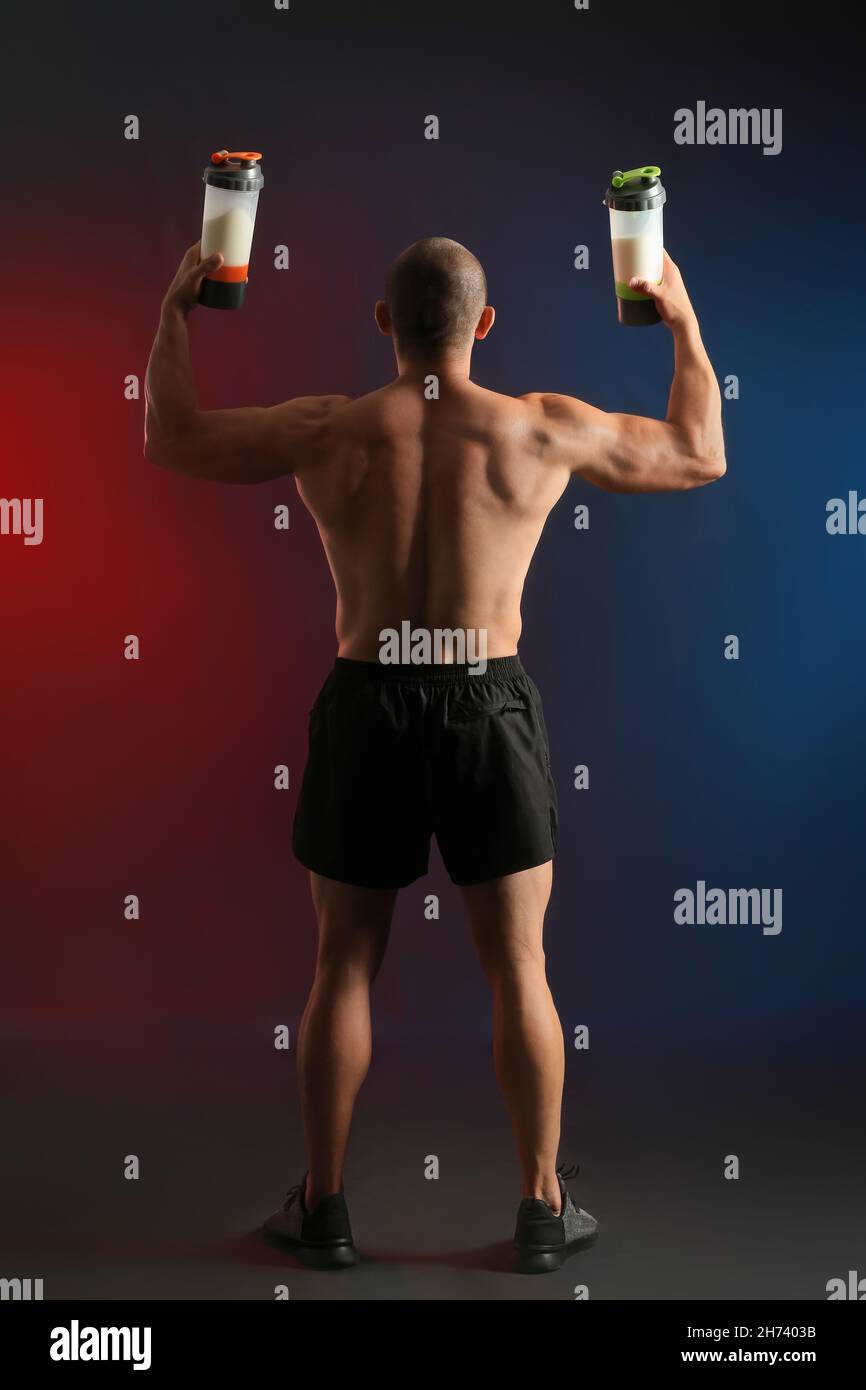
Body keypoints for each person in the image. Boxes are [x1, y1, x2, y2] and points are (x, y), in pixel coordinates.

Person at [145, 236, 725, 1273]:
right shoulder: (537, 428)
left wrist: (175, 312)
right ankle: (541, 1208)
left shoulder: (329, 428)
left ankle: (323, 1208)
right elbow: (696, 451)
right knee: (517, 964)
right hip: (484, 701)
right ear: (482, 326)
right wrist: (676, 316)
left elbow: (173, 436)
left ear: (382, 322)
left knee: (343, 962)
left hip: (368, 698)